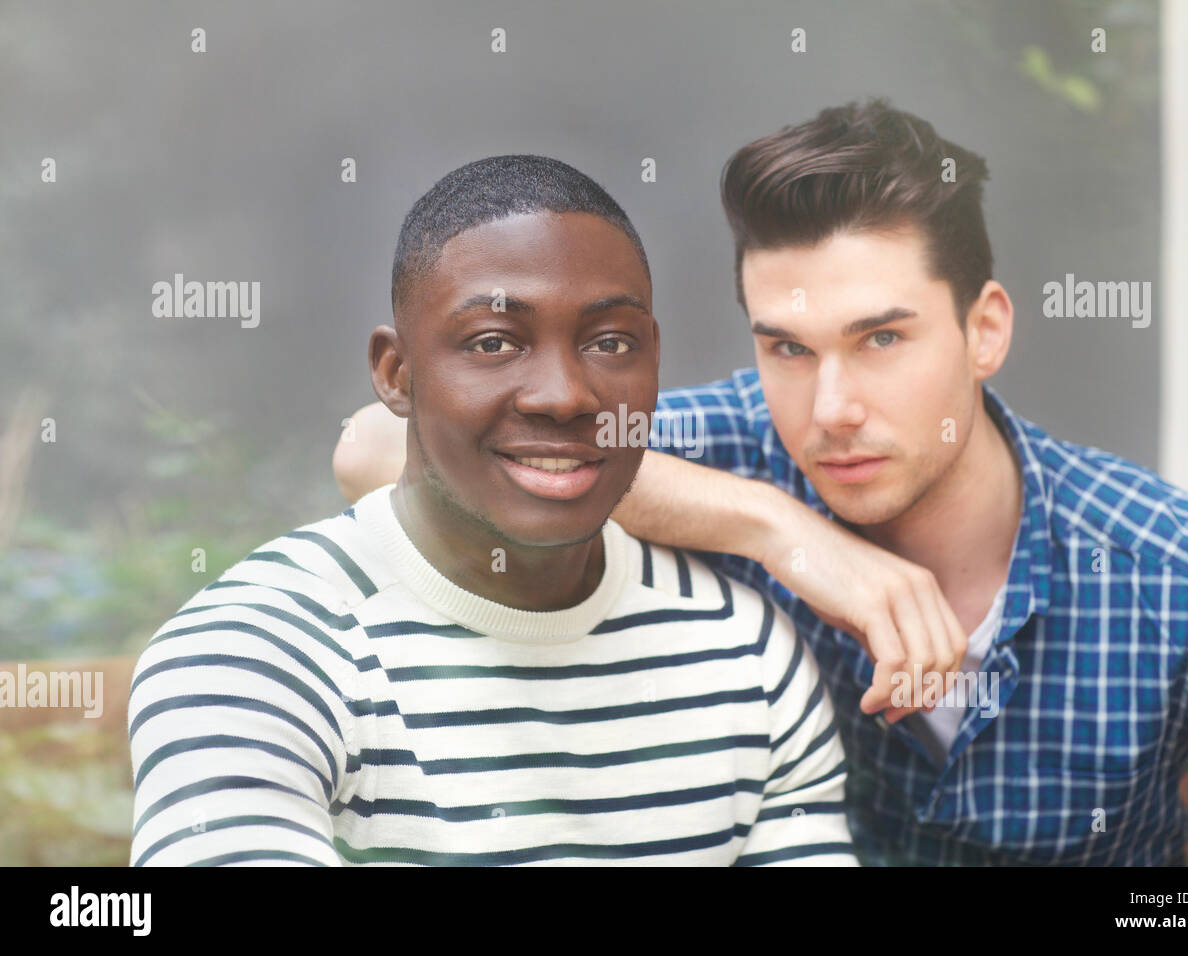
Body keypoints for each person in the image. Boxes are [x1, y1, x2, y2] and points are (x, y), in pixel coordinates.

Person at [336, 100, 1188, 866]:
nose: (830, 407)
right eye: (788, 347)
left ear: (985, 330)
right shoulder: (736, 450)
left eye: (881, 338)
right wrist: (782, 530)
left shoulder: (1185, 577)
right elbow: (377, 445)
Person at [128, 155, 858, 866]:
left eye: (610, 342)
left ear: (655, 360)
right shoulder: (258, 652)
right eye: (493, 342)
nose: (564, 395)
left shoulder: (746, 655)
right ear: (396, 373)